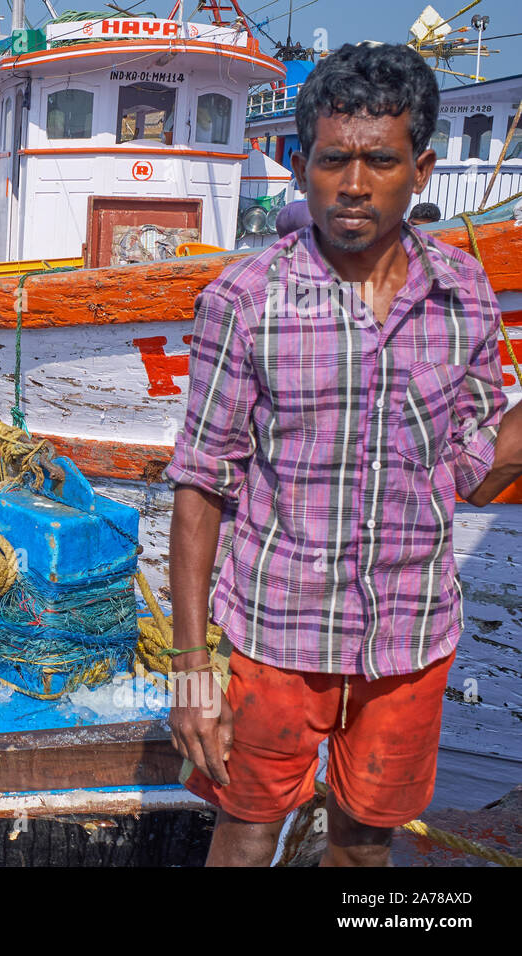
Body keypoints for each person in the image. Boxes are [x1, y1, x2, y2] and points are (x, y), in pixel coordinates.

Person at [165, 42, 522, 867]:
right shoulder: (244, 303)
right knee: (249, 832)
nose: (354, 184)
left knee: (366, 844)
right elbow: (199, 485)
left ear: (422, 168)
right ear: (301, 166)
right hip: (277, 632)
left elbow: (471, 467)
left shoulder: (464, 294)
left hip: (411, 635)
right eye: (333, 160)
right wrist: (191, 675)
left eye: (380, 161)